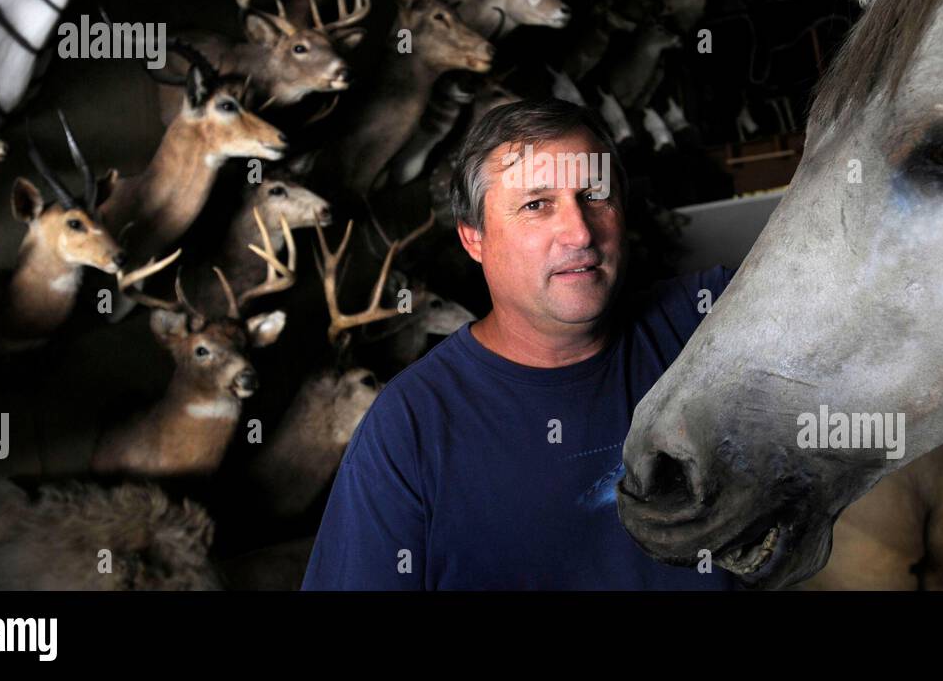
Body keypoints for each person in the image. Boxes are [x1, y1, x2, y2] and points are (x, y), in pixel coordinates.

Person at [302, 99, 737, 589]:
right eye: (536, 205)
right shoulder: (409, 430)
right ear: (474, 239)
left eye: (594, 195)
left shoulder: (706, 320)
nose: (578, 232)